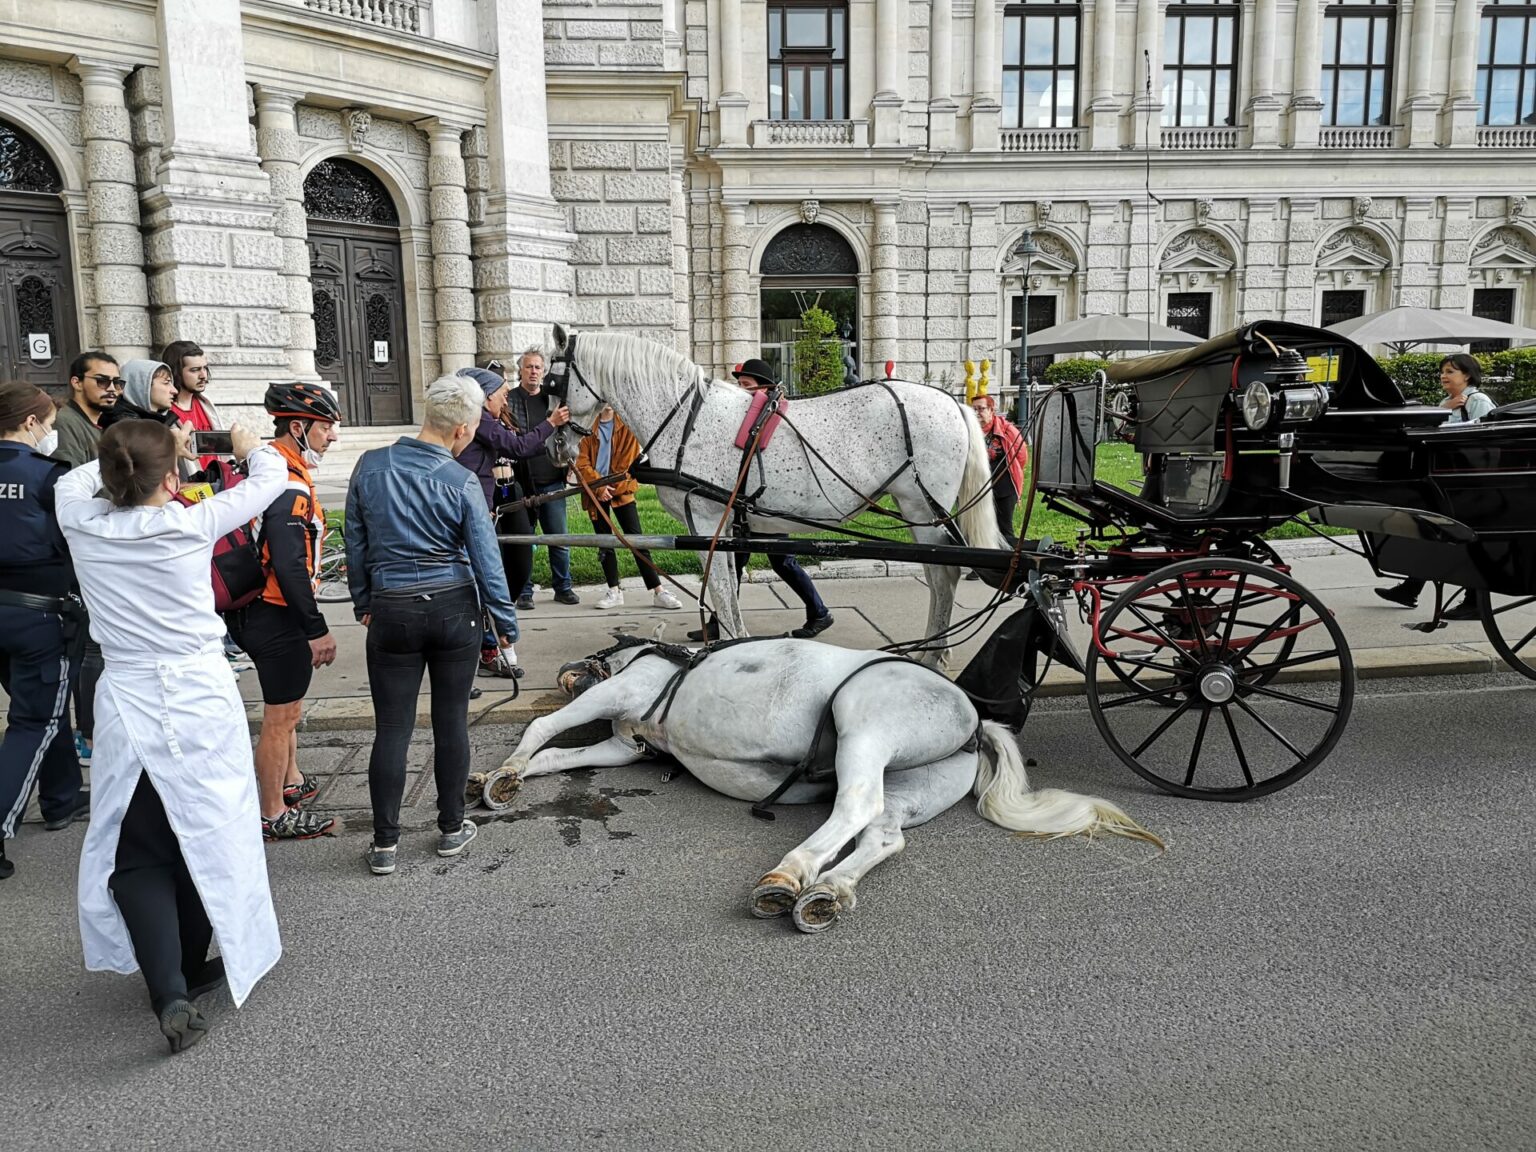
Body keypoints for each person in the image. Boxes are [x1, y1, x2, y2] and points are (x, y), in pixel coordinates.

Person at [56, 419, 288, 1053]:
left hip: (127, 696)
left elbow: (82, 475)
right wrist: (240, 446)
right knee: (207, 829)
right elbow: (269, 478)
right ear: (170, 476)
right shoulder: (188, 523)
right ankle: (190, 963)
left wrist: (143, 452)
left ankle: (171, 988)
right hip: (197, 698)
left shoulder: (79, 516)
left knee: (139, 848)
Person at [344, 375, 520, 876]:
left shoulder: (369, 466)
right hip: (452, 608)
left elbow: (355, 543)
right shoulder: (461, 480)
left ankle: (384, 844)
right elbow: (487, 561)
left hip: (391, 606)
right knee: (450, 722)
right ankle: (450, 828)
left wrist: (364, 602)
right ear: (463, 429)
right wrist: (504, 624)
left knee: (392, 728)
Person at [226, 383, 341, 841]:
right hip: (274, 612)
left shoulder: (275, 467)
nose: (332, 437)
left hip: (260, 608)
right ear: (298, 427)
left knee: (288, 710)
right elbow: (291, 565)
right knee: (280, 717)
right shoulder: (286, 482)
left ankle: (290, 782)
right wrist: (316, 629)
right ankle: (272, 814)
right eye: (327, 428)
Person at [0, 383, 89, 880]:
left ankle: (59, 798)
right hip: (36, 612)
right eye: (49, 425)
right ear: (31, 423)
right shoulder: (47, 476)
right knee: (33, 720)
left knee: (43, 709)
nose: (51, 433)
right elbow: (74, 541)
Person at [689, 359, 833, 641]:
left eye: (746, 386)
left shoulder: (768, 417)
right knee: (736, 561)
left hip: (767, 507)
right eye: (739, 385)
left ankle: (819, 612)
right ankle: (723, 620)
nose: (740, 392)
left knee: (782, 562)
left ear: (763, 389)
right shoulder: (751, 419)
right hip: (748, 508)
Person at [453, 366, 571, 678]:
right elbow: (519, 446)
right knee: (481, 583)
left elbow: (517, 452)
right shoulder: (479, 420)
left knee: (510, 569)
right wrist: (551, 423)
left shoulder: (490, 418)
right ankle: (487, 650)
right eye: (501, 393)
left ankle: (489, 646)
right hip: (471, 509)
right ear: (484, 396)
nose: (506, 397)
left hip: (492, 503)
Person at [1375, 354, 1493, 616]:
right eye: (1443, 371)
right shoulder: (1447, 402)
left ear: (1468, 376)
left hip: (1471, 483)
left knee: (1461, 538)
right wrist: (1447, 408)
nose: (1444, 376)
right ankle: (1411, 588)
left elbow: (1484, 434)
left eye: (1451, 371)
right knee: (1434, 532)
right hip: (1447, 480)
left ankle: (1473, 601)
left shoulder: (1478, 400)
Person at [578, 403, 683, 611]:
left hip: (621, 491)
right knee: (604, 542)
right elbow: (582, 463)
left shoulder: (626, 424)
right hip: (595, 492)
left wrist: (609, 488)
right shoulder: (587, 425)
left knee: (636, 540)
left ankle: (658, 590)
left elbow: (626, 465)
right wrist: (598, 487)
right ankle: (614, 590)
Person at [504, 346, 579, 608]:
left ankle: (563, 587)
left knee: (559, 539)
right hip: (522, 484)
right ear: (520, 370)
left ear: (544, 371)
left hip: (552, 482)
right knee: (525, 542)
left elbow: (568, 437)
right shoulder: (509, 400)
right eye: (529, 367)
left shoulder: (553, 401)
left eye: (538, 367)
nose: (534, 371)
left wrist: (571, 464)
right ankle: (524, 592)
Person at [973, 392, 1029, 546]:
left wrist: (1010, 474)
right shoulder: (972, 431)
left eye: (981, 409)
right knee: (978, 530)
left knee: (1004, 530)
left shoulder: (1006, 430)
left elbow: (1021, 455)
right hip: (980, 489)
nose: (977, 413)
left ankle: (1008, 566)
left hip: (1004, 489)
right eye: (974, 409)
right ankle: (982, 569)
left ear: (991, 410)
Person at [161, 340, 224, 473]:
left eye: (205, 368)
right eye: (195, 370)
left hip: (218, 483)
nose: (203, 375)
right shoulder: (165, 412)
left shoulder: (206, 405)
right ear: (176, 372)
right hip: (188, 487)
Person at [54, 350, 121, 469]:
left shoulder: (106, 422)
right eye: (102, 381)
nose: (112, 389)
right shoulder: (66, 421)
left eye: (116, 382)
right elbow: (70, 478)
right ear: (77, 383)